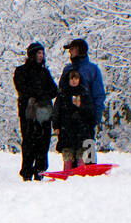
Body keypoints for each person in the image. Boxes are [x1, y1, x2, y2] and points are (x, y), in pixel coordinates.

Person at [14, 42, 59, 181]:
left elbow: (54, 90)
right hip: (29, 112)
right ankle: (27, 171)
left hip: (44, 112)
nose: (41, 56)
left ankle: (40, 170)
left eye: (42, 53)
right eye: (38, 53)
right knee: (29, 141)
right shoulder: (21, 71)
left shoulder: (45, 72)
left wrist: (41, 95)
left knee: (43, 141)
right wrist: (39, 94)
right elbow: (22, 89)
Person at [58, 39, 107, 134]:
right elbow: (61, 93)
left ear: (79, 50)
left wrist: (95, 117)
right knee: (68, 148)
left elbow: (98, 95)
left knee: (86, 147)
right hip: (67, 121)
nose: (69, 52)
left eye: (72, 49)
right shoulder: (67, 69)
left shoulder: (92, 70)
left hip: (86, 119)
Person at [52, 69, 96, 171]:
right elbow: (56, 111)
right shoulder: (63, 94)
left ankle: (80, 172)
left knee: (81, 153)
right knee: (68, 154)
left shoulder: (84, 93)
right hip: (66, 129)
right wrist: (56, 125)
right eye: (72, 78)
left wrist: (81, 107)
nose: (74, 81)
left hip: (81, 129)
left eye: (76, 78)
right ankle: (67, 172)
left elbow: (90, 112)